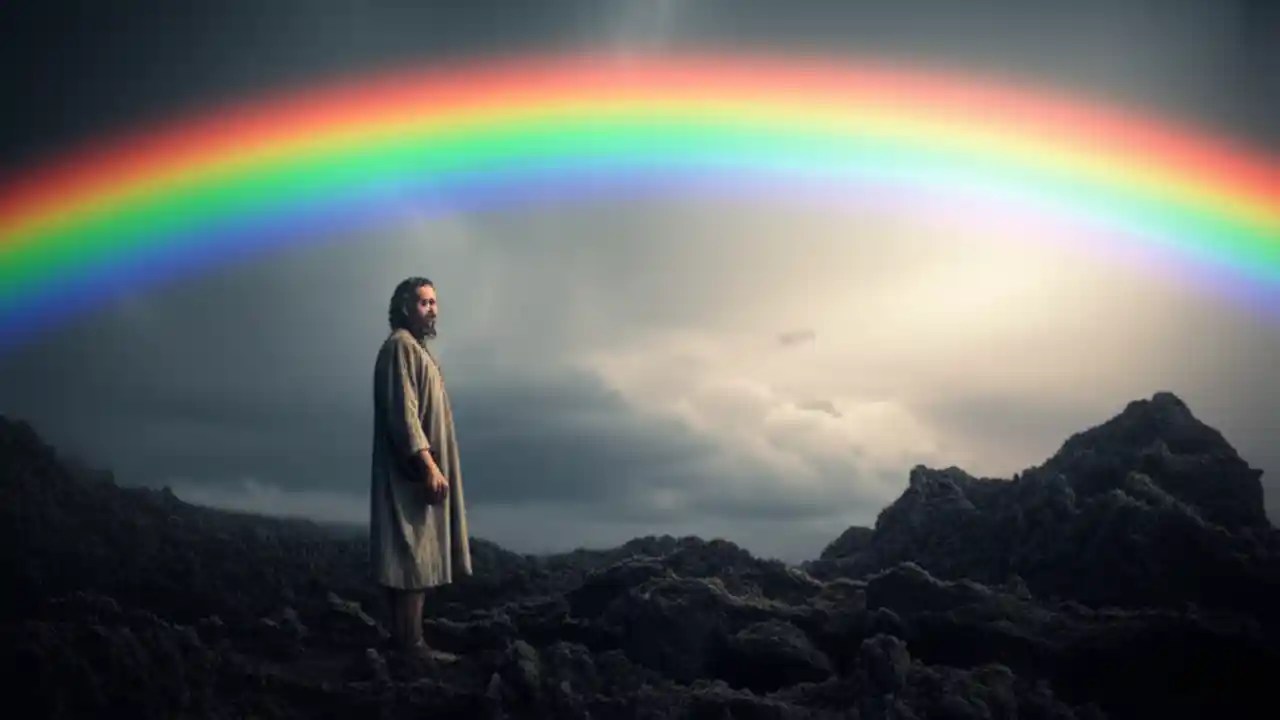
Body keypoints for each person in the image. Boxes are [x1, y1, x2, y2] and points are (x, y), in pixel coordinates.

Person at [369, 276, 472, 667]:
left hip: (419, 474)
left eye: (434, 302)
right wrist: (428, 464)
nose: (432, 309)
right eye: (424, 303)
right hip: (409, 475)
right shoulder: (399, 348)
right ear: (404, 308)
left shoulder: (418, 351)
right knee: (411, 557)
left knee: (419, 557)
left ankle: (407, 641)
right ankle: (410, 647)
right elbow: (405, 415)